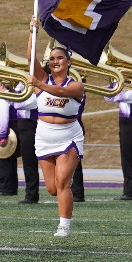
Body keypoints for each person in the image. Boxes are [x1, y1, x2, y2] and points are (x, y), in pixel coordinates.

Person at [26, 41, 87, 238]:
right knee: (52, 189)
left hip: (68, 137)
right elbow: (30, 57)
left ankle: (64, 226)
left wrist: (38, 84)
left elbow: (61, 93)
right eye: (51, 59)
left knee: (62, 182)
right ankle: (64, 217)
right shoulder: (43, 78)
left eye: (60, 58)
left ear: (69, 62)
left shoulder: (76, 85)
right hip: (44, 137)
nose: (55, 61)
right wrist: (31, 32)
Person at [108, 86, 132, 200]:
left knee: (128, 161)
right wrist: (112, 85)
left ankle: (130, 193)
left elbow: (115, 97)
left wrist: (116, 85)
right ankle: (127, 191)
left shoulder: (131, 93)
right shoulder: (127, 93)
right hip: (124, 128)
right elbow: (108, 97)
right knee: (125, 161)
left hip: (129, 128)